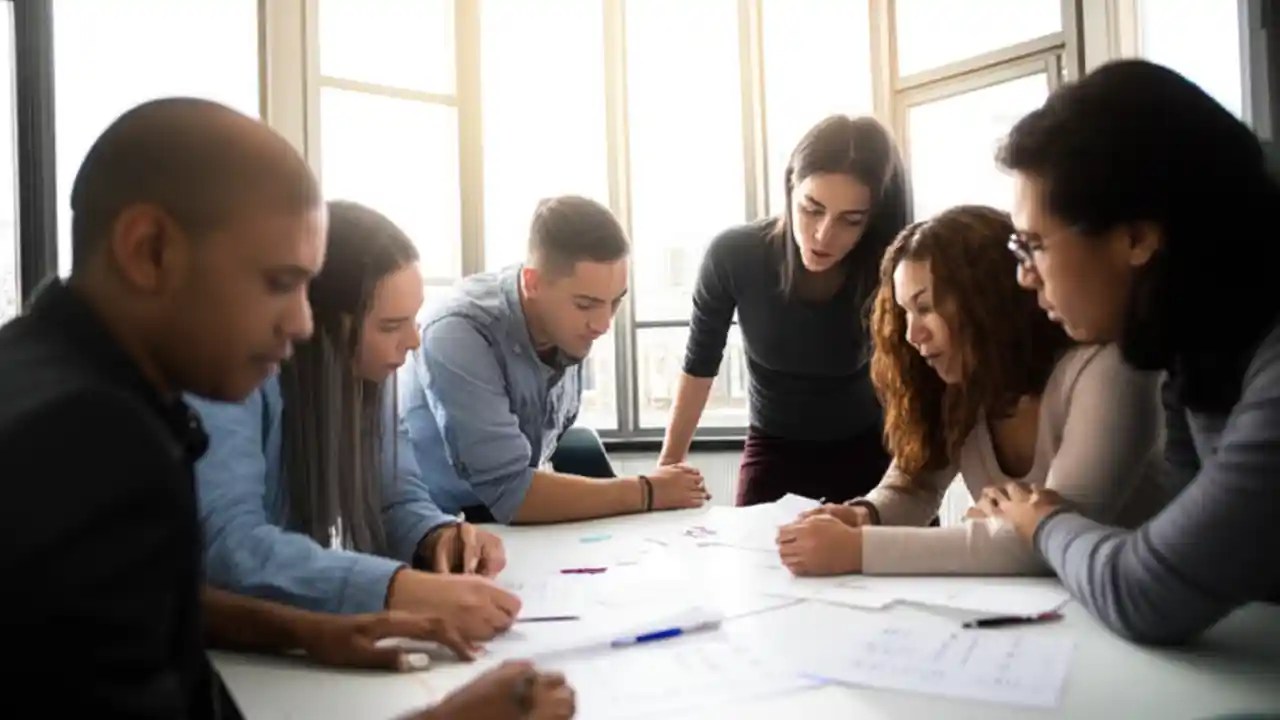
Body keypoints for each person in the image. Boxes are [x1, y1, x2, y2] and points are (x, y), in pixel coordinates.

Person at [0, 97, 571, 718]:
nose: (302, 323)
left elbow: (153, 600)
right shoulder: (86, 441)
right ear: (150, 250)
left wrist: (305, 630)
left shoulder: (42, 369)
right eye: (278, 283)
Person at [970, 58, 1280, 645]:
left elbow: (1146, 589)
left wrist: (1041, 522)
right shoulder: (1196, 351)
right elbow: (1181, 541)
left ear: (1136, 237)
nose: (1023, 277)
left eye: (1032, 246)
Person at [774, 205, 1167, 577]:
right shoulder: (959, 384)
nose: (912, 335)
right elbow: (915, 484)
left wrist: (858, 550)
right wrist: (865, 515)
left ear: (987, 299)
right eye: (905, 313)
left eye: (925, 307)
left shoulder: (1104, 370)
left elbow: (1055, 541)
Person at [189, 200, 519, 641]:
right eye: (390, 326)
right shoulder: (230, 376)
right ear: (316, 324)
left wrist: (436, 536)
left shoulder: (364, 374)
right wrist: (399, 590)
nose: (414, 341)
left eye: (413, 320)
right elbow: (230, 548)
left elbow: (394, 499)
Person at [401, 195, 708, 524]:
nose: (603, 325)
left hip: (498, 524)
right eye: (585, 305)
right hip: (425, 527)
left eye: (614, 303)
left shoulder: (566, 326)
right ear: (532, 282)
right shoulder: (456, 332)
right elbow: (512, 493)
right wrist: (649, 491)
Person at [657, 115, 911, 506]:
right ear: (791, 185)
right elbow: (699, 365)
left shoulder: (890, 266)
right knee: (757, 561)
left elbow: (915, 372)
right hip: (774, 448)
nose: (824, 235)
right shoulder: (733, 255)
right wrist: (666, 470)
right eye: (812, 209)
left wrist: (918, 475)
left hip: (872, 446)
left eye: (851, 220)